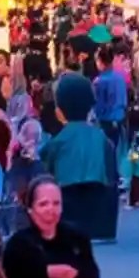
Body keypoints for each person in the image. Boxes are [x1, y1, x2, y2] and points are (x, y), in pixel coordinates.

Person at [43, 74, 118, 241]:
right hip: (99, 212)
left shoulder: (56, 142)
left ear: (60, 108)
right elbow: (112, 177)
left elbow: (46, 176)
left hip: (68, 212)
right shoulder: (102, 138)